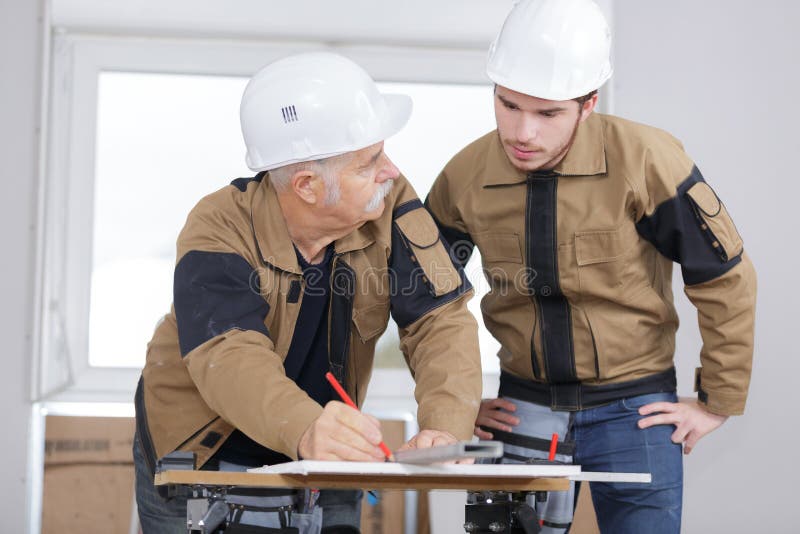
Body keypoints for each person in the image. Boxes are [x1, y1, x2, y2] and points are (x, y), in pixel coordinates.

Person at [425, 1, 757, 532]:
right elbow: (425, 303)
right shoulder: (464, 175)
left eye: (548, 113)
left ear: (587, 104)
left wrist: (718, 401)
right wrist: (455, 405)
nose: (523, 132)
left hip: (636, 414)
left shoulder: (648, 159)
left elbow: (725, 277)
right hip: (521, 411)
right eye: (508, 105)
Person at [133, 51, 482, 534]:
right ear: (308, 185)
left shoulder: (389, 202)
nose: (392, 171)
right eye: (370, 162)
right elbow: (229, 352)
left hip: (326, 444)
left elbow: (439, 320)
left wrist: (444, 428)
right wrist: (304, 428)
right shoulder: (217, 227)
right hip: (206, 447)